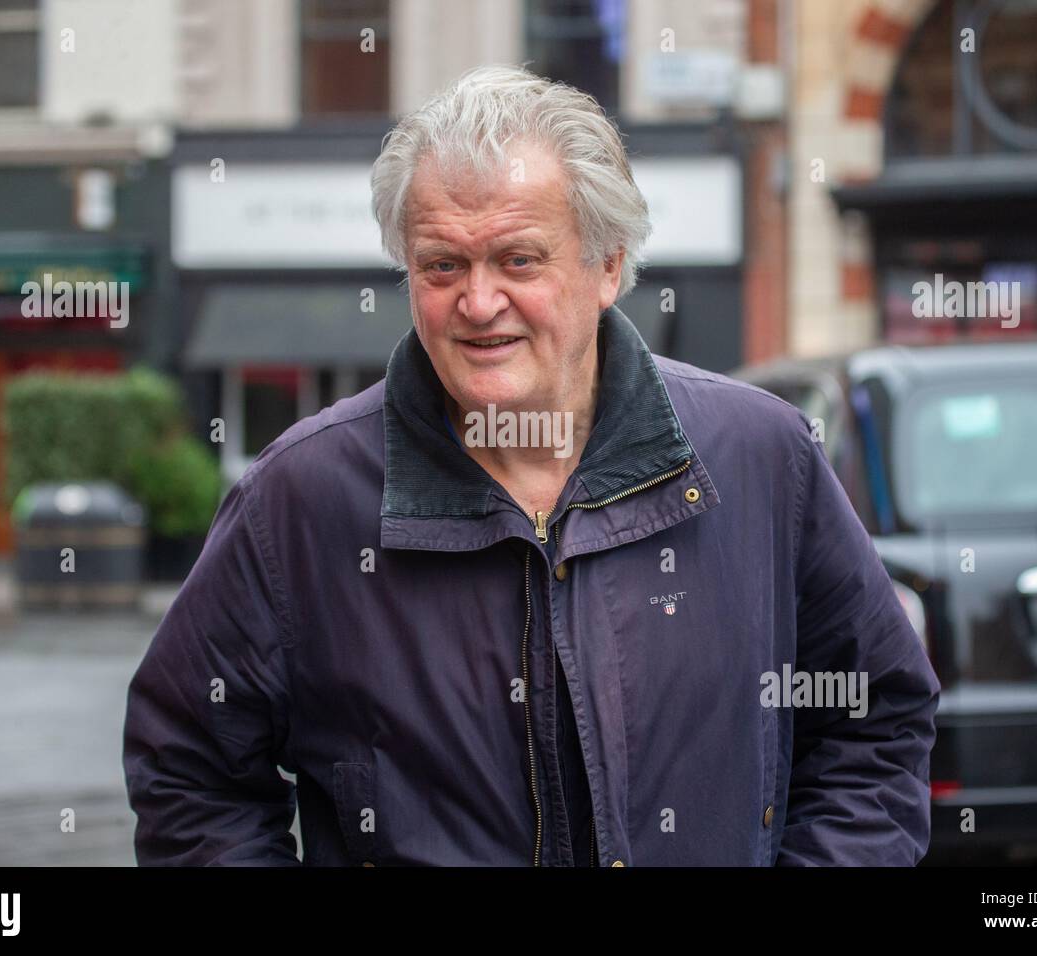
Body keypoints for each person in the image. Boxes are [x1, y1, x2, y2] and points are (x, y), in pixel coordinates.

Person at [123, 64, 940, 866]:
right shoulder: (297, 500)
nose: (478, 304)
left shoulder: (761, 456)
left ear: (608, 265)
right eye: (443, 265)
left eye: (519, 260)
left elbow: (874, 720)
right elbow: (190, 770)